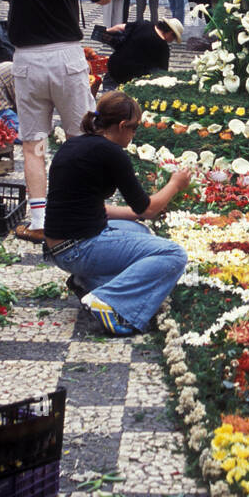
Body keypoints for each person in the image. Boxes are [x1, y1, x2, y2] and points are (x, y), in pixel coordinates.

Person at [0, 0, 110, 241]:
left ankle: (39, 219)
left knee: (34, 144)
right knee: (81, 138)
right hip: (66, 58)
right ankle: (81, 210)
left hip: (27, 60)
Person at [42, 91, 190, 336]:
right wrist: (176, 183)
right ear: (122, 126)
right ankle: (108, 301)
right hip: (76, 248)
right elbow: (148, 209)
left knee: (140, 232)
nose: (133, 136)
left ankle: (86, 281)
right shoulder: (112, 153)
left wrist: (138, 216)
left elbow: (101, 209)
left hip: (58, 244)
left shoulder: (76, 143)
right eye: (133, 129)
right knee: (173, 255)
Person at [101, 18, 183, 90]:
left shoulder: (144, 24)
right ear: (170, 33)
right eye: (174, 38)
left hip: (114, 66)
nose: (172, 41)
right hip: (130, 78)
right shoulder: (163, 48)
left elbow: (119, 27)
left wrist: (105, 32)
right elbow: (162, 73)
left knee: (107, 98)